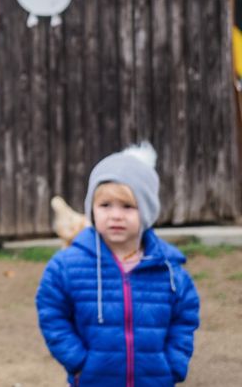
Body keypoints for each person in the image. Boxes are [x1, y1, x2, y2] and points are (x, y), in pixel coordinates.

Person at [36, 143, 200, 386]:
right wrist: (79, 362)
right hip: (94, 379)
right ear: (91, 209)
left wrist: (174, 364)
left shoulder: (168, 268)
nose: (115, 215)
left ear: (147, 212)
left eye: (127, 206)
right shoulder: (67, 266)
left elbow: (185, 317)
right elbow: (51, 312)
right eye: (105, 205)